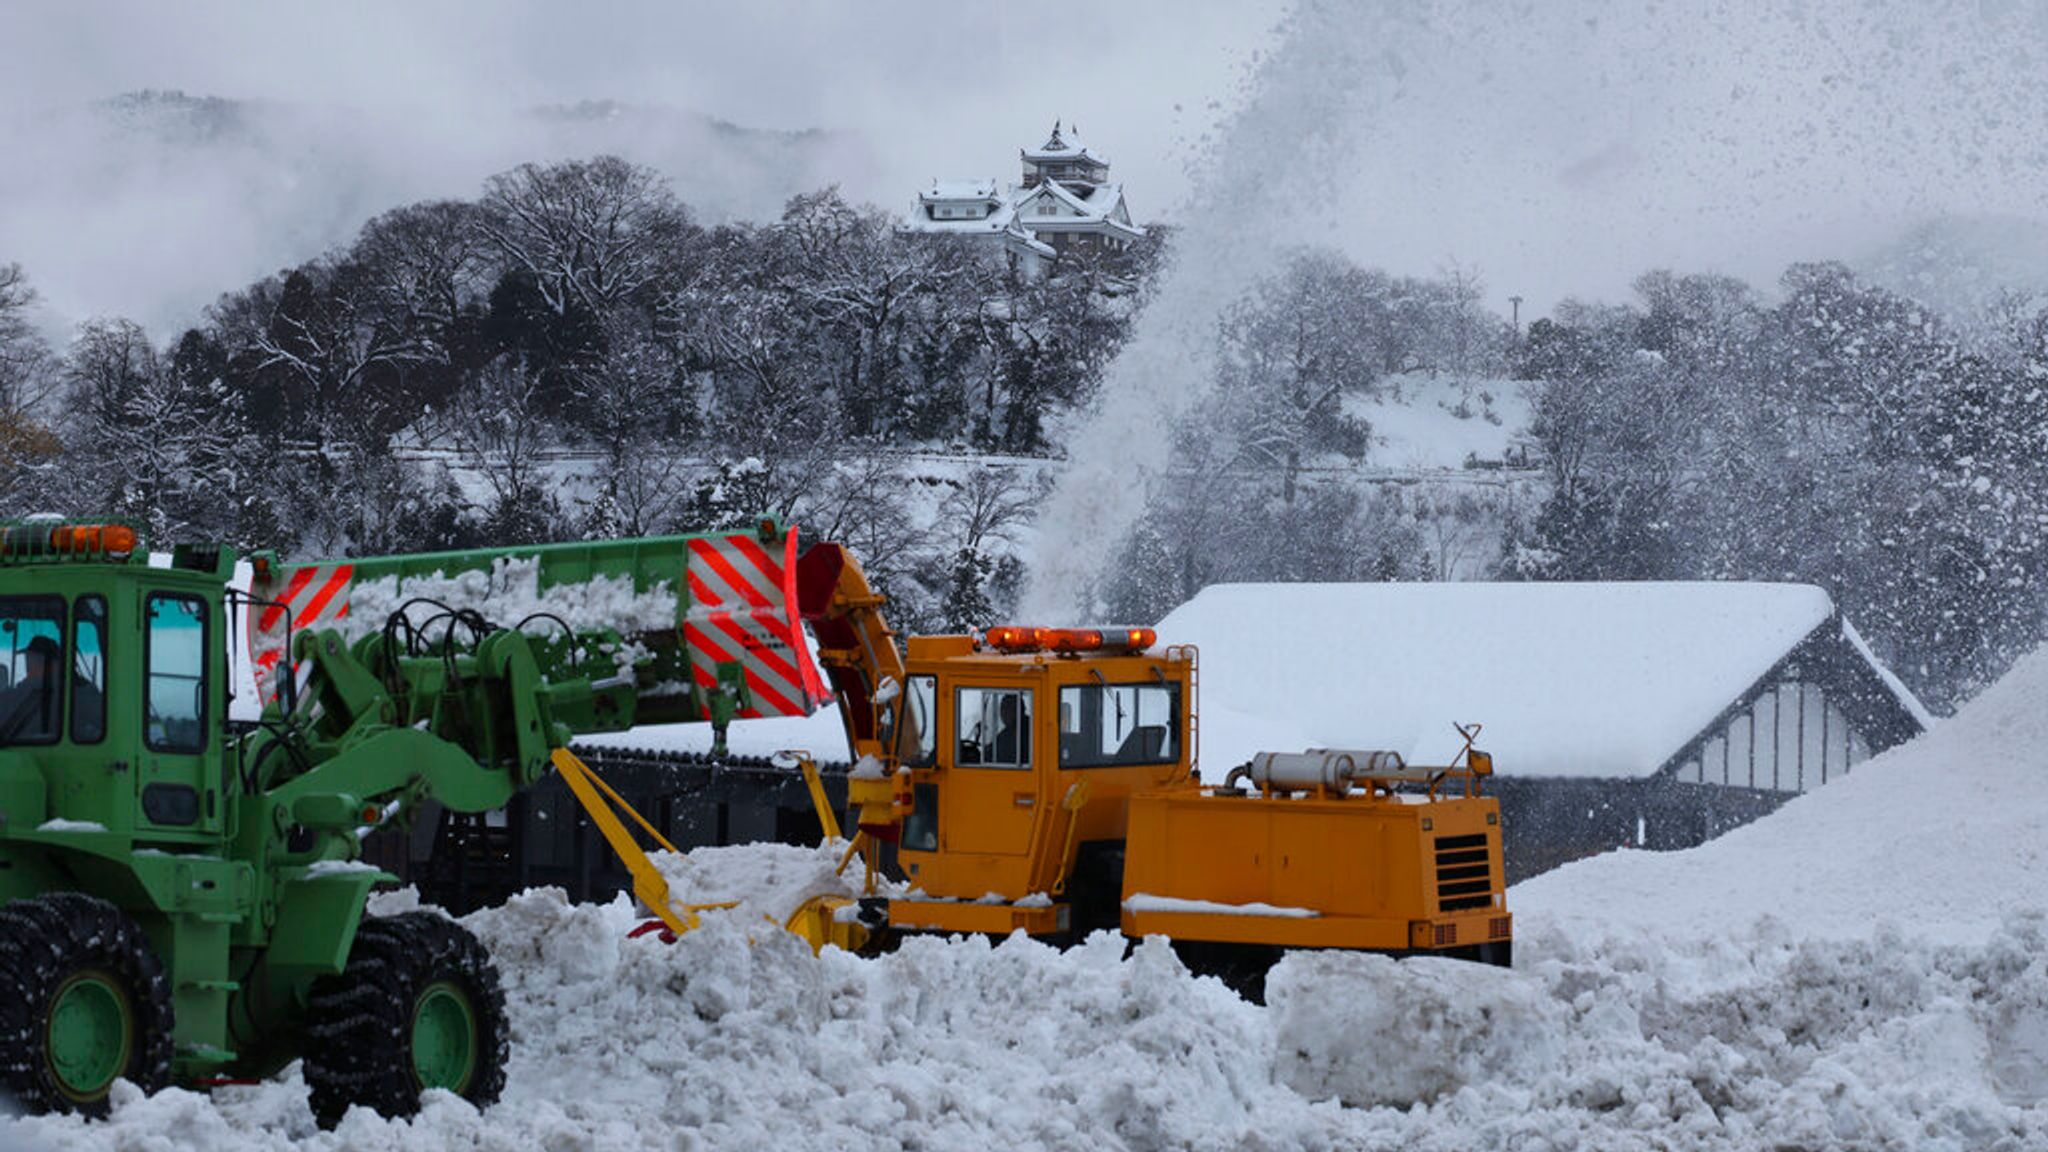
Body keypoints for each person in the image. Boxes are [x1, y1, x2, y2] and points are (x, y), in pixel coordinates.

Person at [0, 636, 61, 743]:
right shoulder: (62, 687)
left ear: (49, 663)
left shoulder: (34, 690)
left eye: (32, 658)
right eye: (28, 658)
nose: (27, 663)